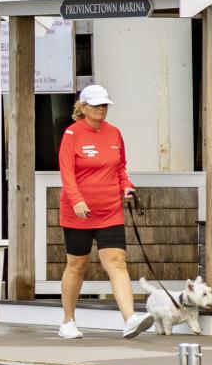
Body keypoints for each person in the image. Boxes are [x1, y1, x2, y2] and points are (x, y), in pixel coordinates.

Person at [57, 83, 150, 340]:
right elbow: (66, 172)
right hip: (79, 211)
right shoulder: (72, 134)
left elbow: (120, 167)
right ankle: (68, 321)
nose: (101, 109)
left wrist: (127, 187)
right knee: (77, 264)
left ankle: (130, 319)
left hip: (110, 210)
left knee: (117, 262)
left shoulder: (114, 134)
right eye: (96, 105)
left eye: (104, 105)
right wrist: (76, 199)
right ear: (83, 107)